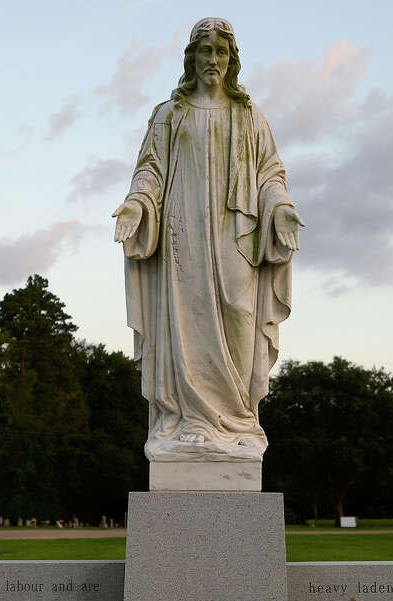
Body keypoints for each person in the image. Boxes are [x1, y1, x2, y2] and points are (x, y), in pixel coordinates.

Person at [113, 17, 302, 462]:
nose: (212, 59)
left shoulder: (250, 115)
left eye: (220, 52)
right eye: (204, 51)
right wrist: (139, 203)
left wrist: (281, 208)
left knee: (239, 314)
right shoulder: (169, 114)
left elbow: (270, 173)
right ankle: (190, 420)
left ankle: (237, 418)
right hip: (183, 235)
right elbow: (151, 169)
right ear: (191, 58)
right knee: (188, 320)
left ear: (231, 59)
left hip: (237, 237)